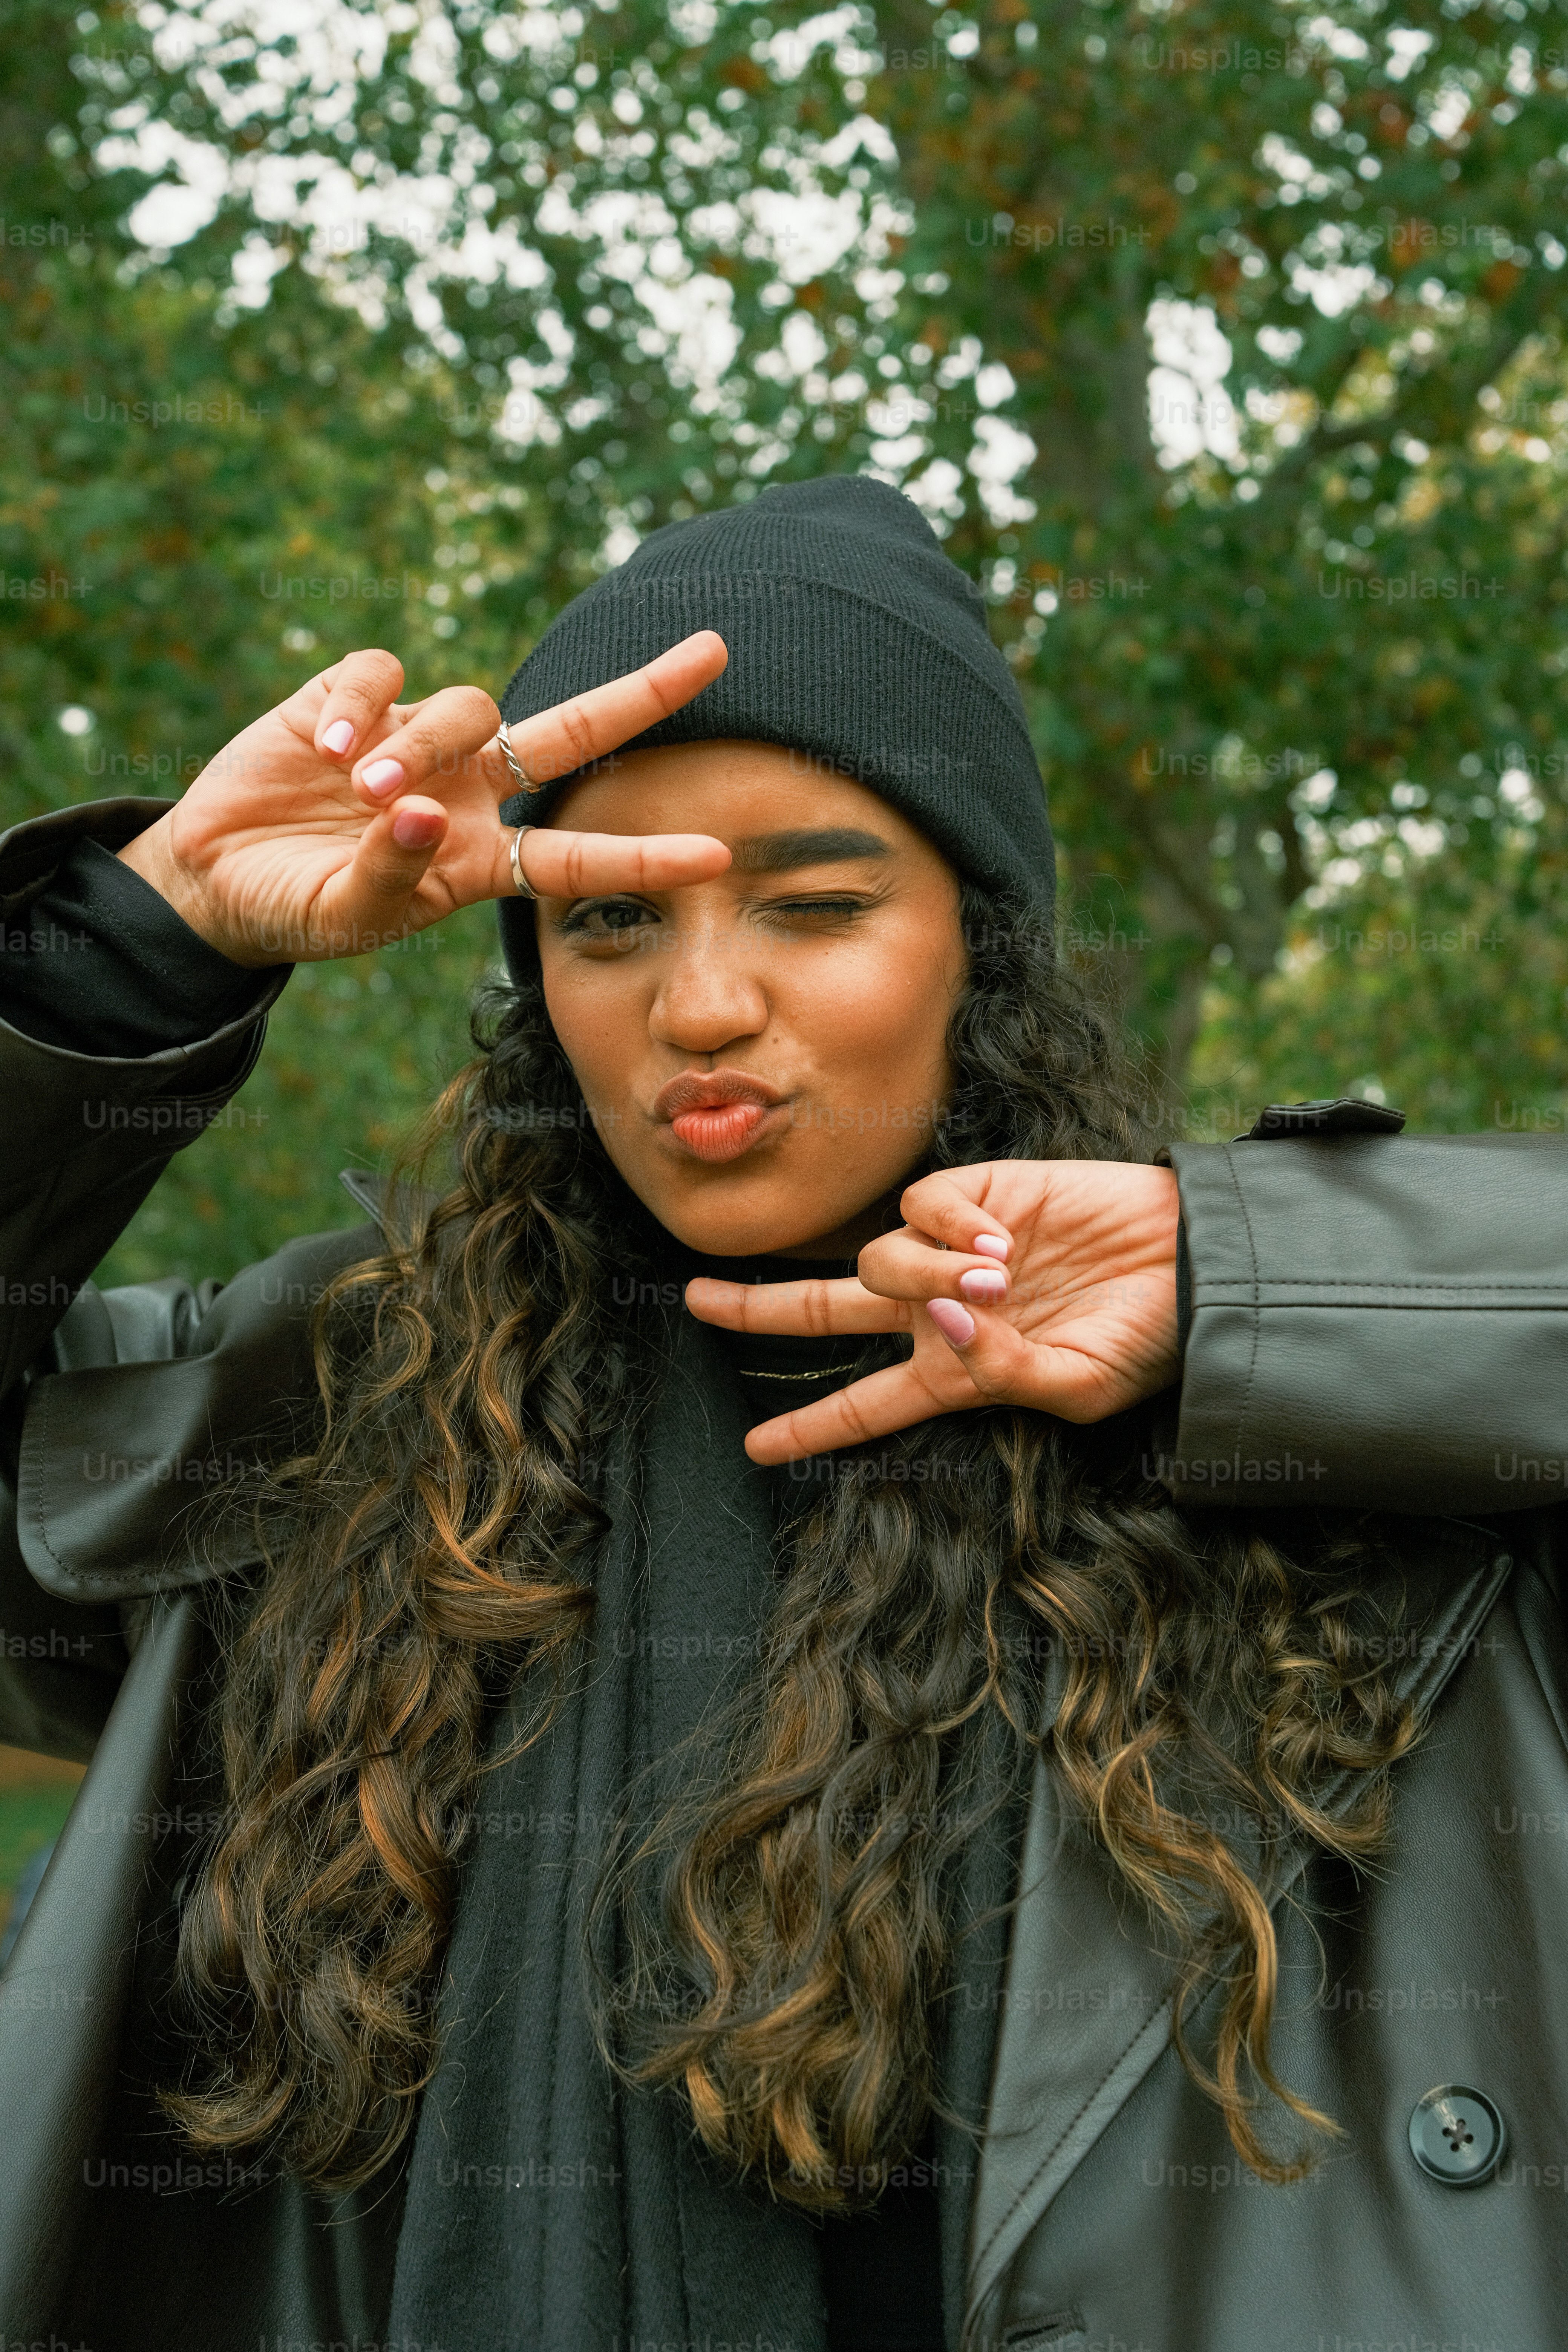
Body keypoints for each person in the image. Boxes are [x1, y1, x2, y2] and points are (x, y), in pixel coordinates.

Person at [0, 476, 1562, 2352]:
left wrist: (1259, 1292)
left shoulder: (1326, 1459)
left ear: (981, 948)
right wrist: (142, 944)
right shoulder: (339, 1433)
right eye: (606, 929)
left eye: (815, 905)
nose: (703, 1005)